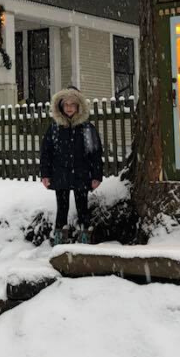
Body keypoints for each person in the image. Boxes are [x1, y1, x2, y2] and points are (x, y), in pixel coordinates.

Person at [39, 86, 103, 245]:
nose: (69, 108)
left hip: (81, 174)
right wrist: (45, 174)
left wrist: (96, 176)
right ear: (60, 106)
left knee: (83, 207)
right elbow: (46, 153)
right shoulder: (54, 129)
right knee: (62, 207)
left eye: (72, 104)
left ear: (78, 106)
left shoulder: (87, 129)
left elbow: (95, 153)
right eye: (66, 104)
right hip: (60, 174)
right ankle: (60, 236)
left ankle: (85, 235)